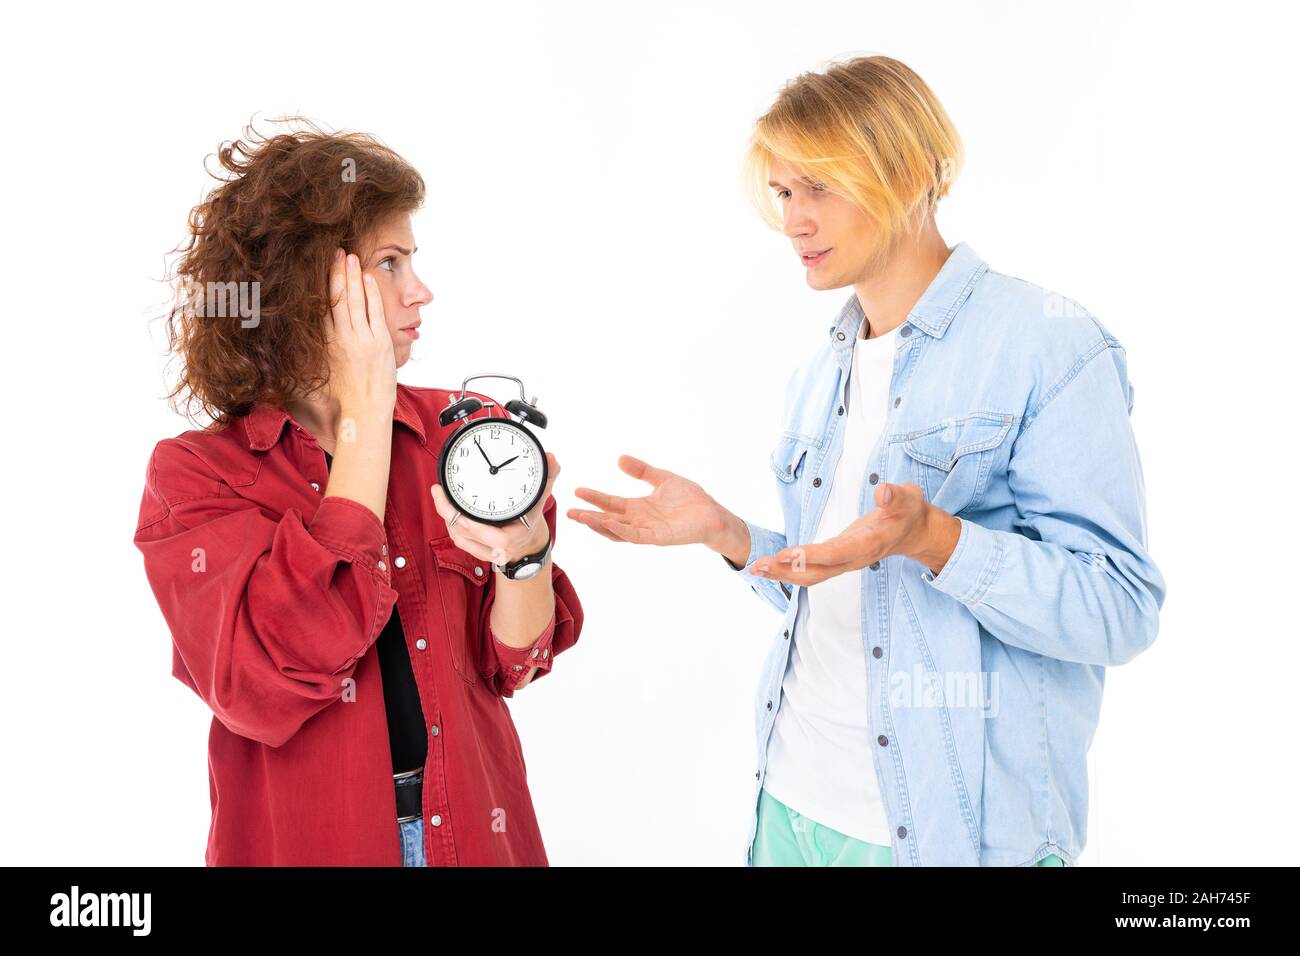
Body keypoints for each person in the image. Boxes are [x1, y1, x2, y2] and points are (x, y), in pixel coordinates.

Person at [566, 56, 1165, 866]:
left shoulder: (1048, 344)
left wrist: (936, 541)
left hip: (943, 837)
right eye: (783, 193)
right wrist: (730, 534)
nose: (794, 221)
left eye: (820, 187)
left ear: (913, 173)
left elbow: (1119, 609)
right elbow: (860, 599)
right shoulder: (823, 374)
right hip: (789, 807)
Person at [134, 120, 582, 866]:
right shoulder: (195, 477)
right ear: (310, 288)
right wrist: (366, 413)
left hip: (471, 833)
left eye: (413, 261)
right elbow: (265, 682)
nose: (421, 291)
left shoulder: (462, 435)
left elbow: (514, 662)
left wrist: (525, 556)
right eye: (389, 263)